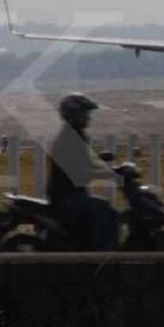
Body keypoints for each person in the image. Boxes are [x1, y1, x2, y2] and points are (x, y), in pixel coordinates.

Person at [47, 92, 120, 250]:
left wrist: (105, 164)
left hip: (74, 195)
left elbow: (87, 161)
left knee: (103, 208)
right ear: (71, 115)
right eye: (83, 114)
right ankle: (103, 257)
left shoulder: (76, 136)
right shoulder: (68, 139)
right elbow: (80, 171)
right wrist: (109, 174)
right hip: (66, 197)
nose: (87, 117)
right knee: (107, 213)